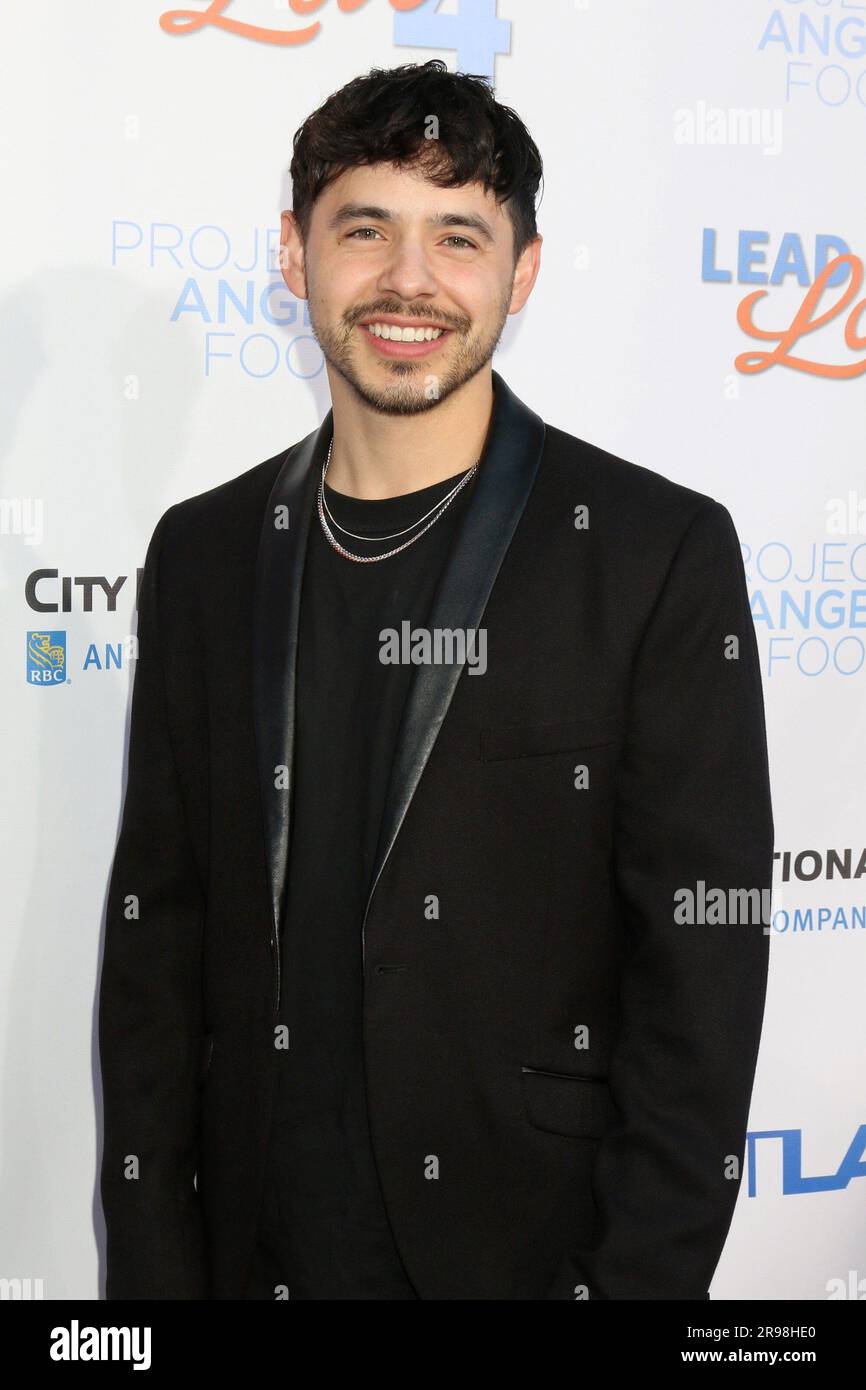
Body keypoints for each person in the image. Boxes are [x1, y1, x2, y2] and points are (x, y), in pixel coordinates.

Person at [98, 59, 773, 1300]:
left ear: (519, 274)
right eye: (365, 229)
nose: (408, 280)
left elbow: (699, 990)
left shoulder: (648, 553)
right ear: (295, 256)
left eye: (456, 236)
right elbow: (158, 944)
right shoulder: (201, 552)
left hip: (524, 1259)